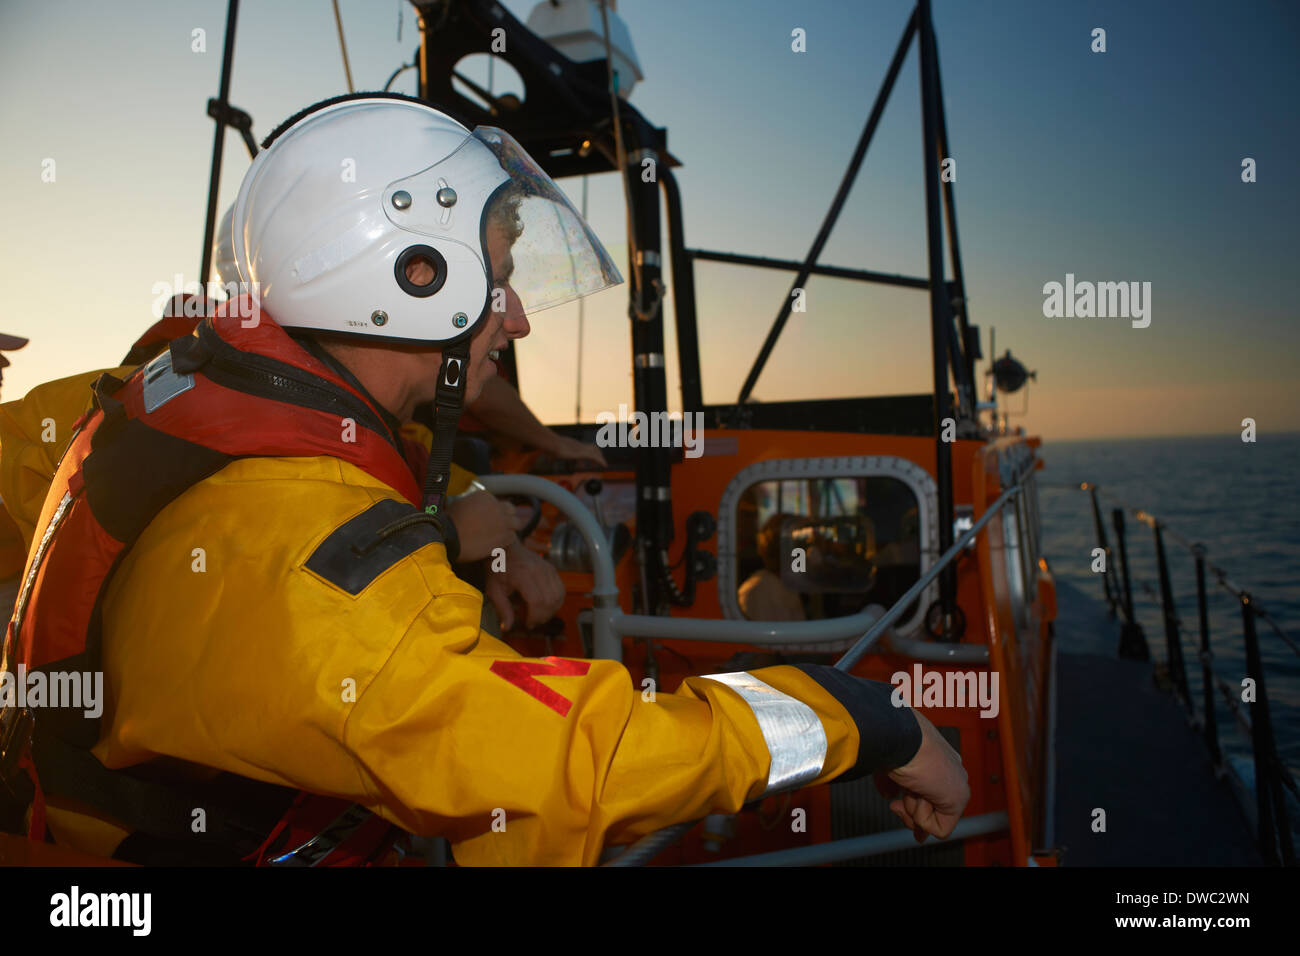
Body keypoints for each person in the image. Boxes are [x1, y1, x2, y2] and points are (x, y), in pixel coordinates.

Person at [0, 93, 967, 865]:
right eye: (498, 279)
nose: (518, 317)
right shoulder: (312, 573)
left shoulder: (141, 400)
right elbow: (570, 766)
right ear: (410, 279)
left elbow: (319, 460)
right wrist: (861, 718)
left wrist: (461, 505)